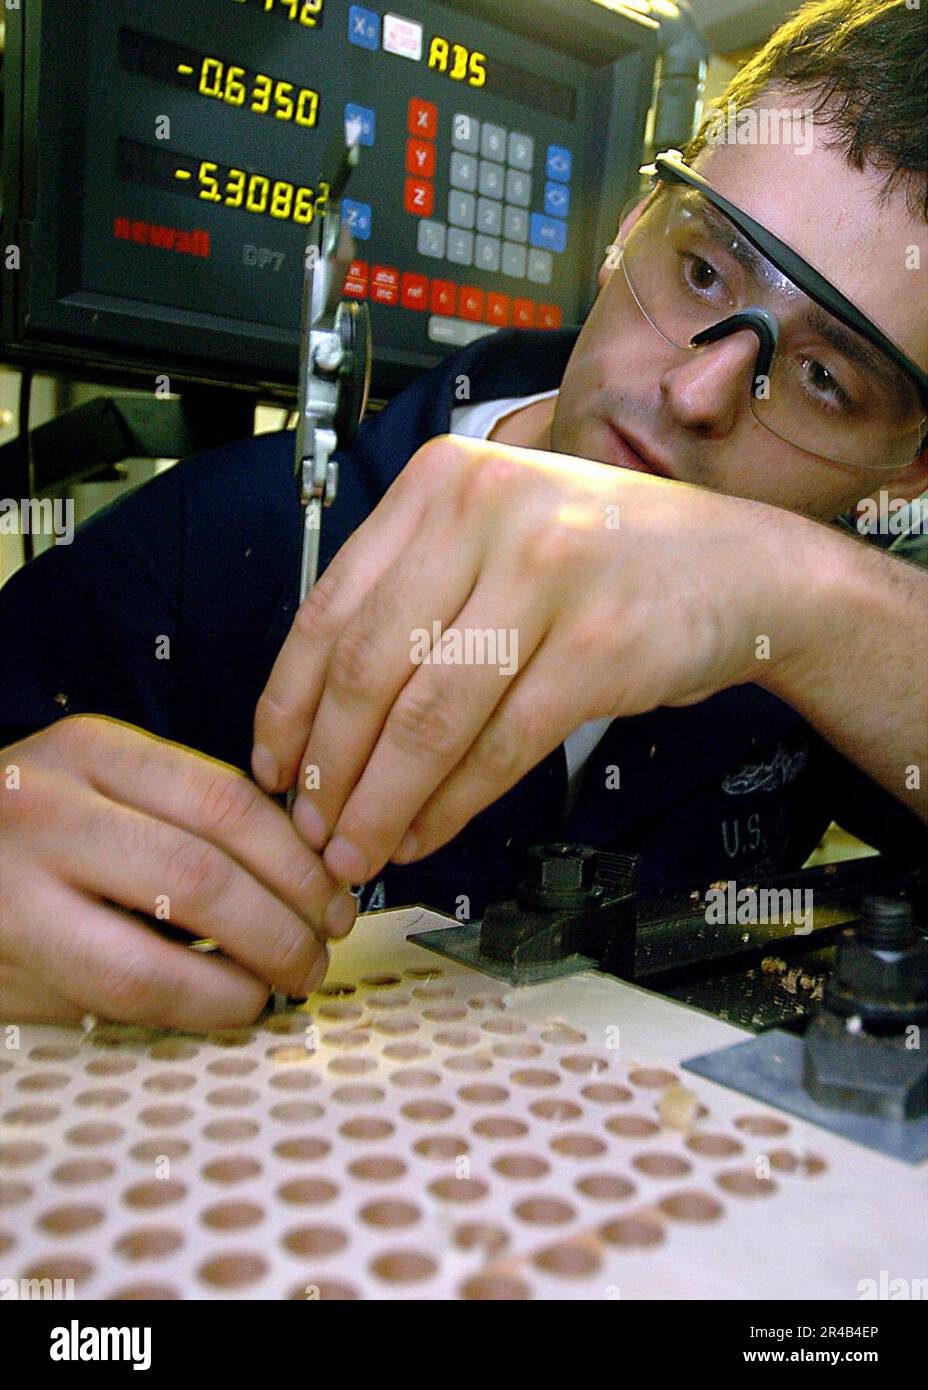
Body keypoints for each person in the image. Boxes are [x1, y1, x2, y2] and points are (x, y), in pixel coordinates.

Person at [1, 0, 925, 1029]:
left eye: (823, 378)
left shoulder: (836, 657)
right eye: (701, 269)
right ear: (626, 229)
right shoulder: (210, 544)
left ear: (914, 468)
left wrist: (807, 600)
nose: (698, 393)